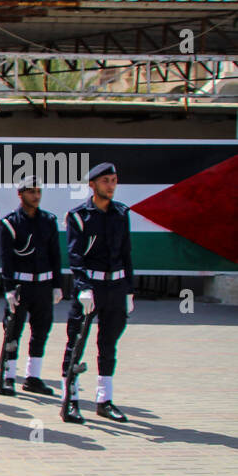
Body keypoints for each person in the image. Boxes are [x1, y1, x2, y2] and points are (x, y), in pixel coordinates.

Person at [61, 162, 134, 424]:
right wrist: (83, 287)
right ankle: (70, 400)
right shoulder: (79, 216)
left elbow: (126, 254)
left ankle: (104, 400)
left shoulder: (121, 213)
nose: (111, 185)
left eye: (114, 180)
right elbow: (75, 255)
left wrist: (129, 290)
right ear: (92, 185)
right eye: (106, 181)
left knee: (108, 345)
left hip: (115, 287)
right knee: (76, 343)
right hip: (90, 288)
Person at [0, 180, 64, 396]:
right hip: (20, 285)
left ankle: (32, 377)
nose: (36, 196)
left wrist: (57, 285)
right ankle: (8, 376)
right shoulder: (10, 223)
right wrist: (8, 288)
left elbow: (55, 255)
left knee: (41, 331)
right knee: (13, 331)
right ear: (20, 194)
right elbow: (6, 258)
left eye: (38, 192)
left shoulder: (48, 220)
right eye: (31, 192)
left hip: (43, 285)